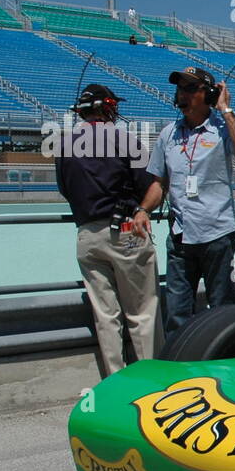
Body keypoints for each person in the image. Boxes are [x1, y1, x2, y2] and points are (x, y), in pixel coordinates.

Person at [54, 83, 164, 376]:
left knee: (105, 316)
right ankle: (150, 380)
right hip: (126, 231)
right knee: (142, 313)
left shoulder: (64, 145)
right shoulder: (125, 140)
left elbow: (65, 189)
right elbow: (150, 186)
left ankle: (115, 381)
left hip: (87, 236)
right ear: (108, 107)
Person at [147, 66, 235, 336]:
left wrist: (225, 109)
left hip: (217, 235)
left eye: (188, 88)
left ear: (206, 95)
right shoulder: (168, 134)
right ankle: (180, 369)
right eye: (179, 88)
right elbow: (159, 182)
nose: (181, 94)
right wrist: (141, 210)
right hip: (180, 236)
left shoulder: (222, 129)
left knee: (222, 309)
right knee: (176, 312)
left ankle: (222, 366)